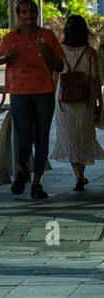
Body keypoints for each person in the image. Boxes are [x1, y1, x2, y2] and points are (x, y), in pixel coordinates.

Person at [0, 0, 65, 199]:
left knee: (41, 137)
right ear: (18, 15)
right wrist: (6, 57)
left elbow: (60, 66)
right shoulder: (9, 38)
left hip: (44, 92)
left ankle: (36, 183)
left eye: (32, 11)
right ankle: (22, 168)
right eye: (24, 12)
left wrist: (47, 53)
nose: (28, 15)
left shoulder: (47, 36)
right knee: (24, 136)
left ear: (36, 14)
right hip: (19, 92)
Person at [51, 14, 103, 193]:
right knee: (83, 134)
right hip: (85, 100)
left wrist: (52, 98)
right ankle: (81, 175)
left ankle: (77, 176)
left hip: (63, 100)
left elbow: (54, 77)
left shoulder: (58, 50)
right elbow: (96, 79)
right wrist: (100, 101)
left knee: (68, 136)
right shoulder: (90, 52)